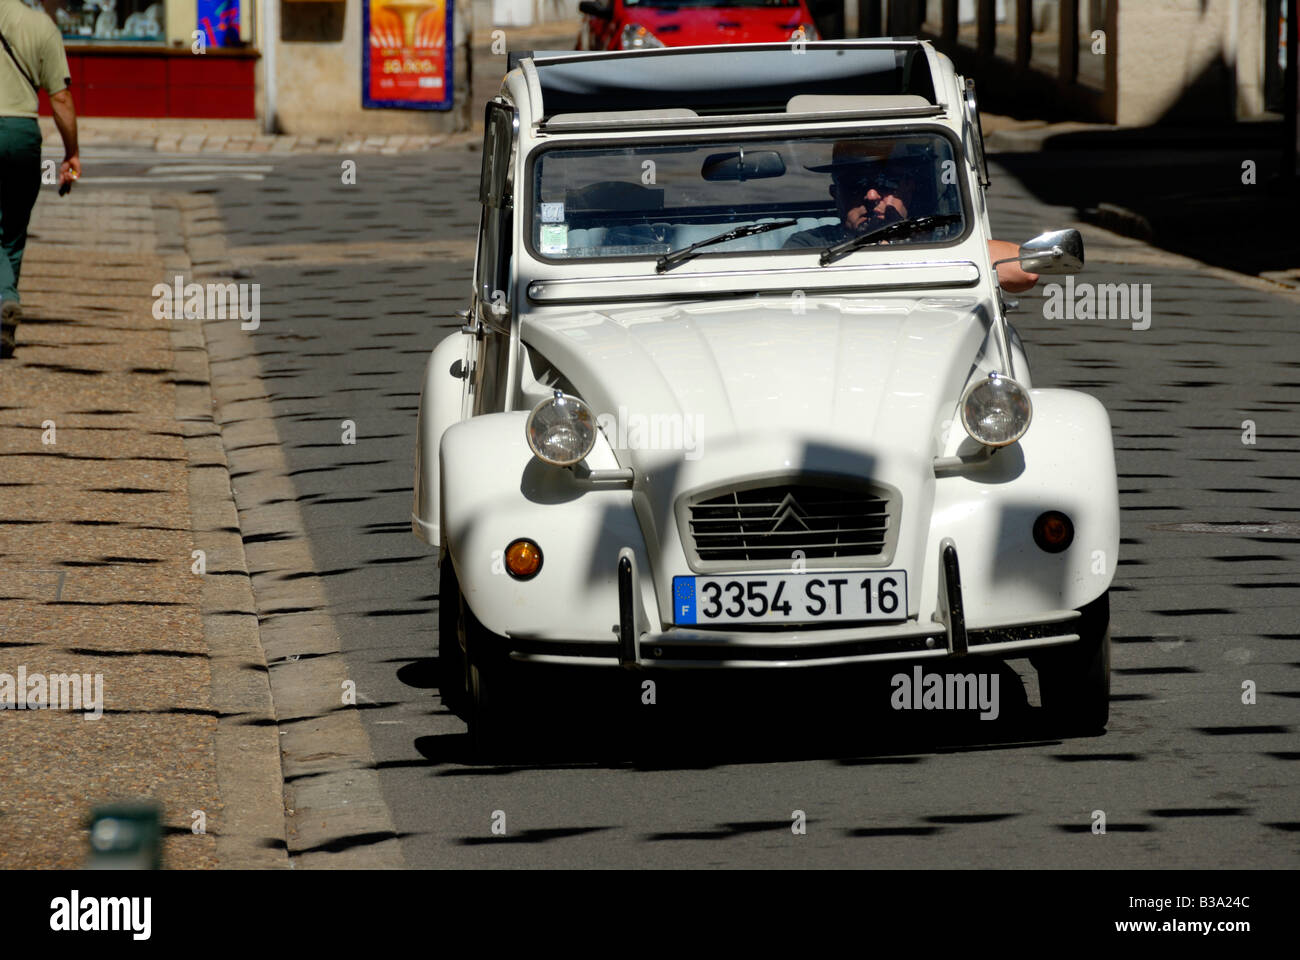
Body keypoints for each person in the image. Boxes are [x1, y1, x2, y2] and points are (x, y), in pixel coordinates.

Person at [783, 140, 1039, 294]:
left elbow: (1022, 273)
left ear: (909, 189)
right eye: (855, 185)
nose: (872, 196)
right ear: (834, 194)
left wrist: (913, 244)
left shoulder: (943, 240)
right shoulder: (808, 245)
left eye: (886, 182)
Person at [0, 0, 78, 358]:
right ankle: (4, 316)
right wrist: (71, 155)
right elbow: (60, 99)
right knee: (13, 232)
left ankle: (6, 299)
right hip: (22, 134)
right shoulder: (42, 25)